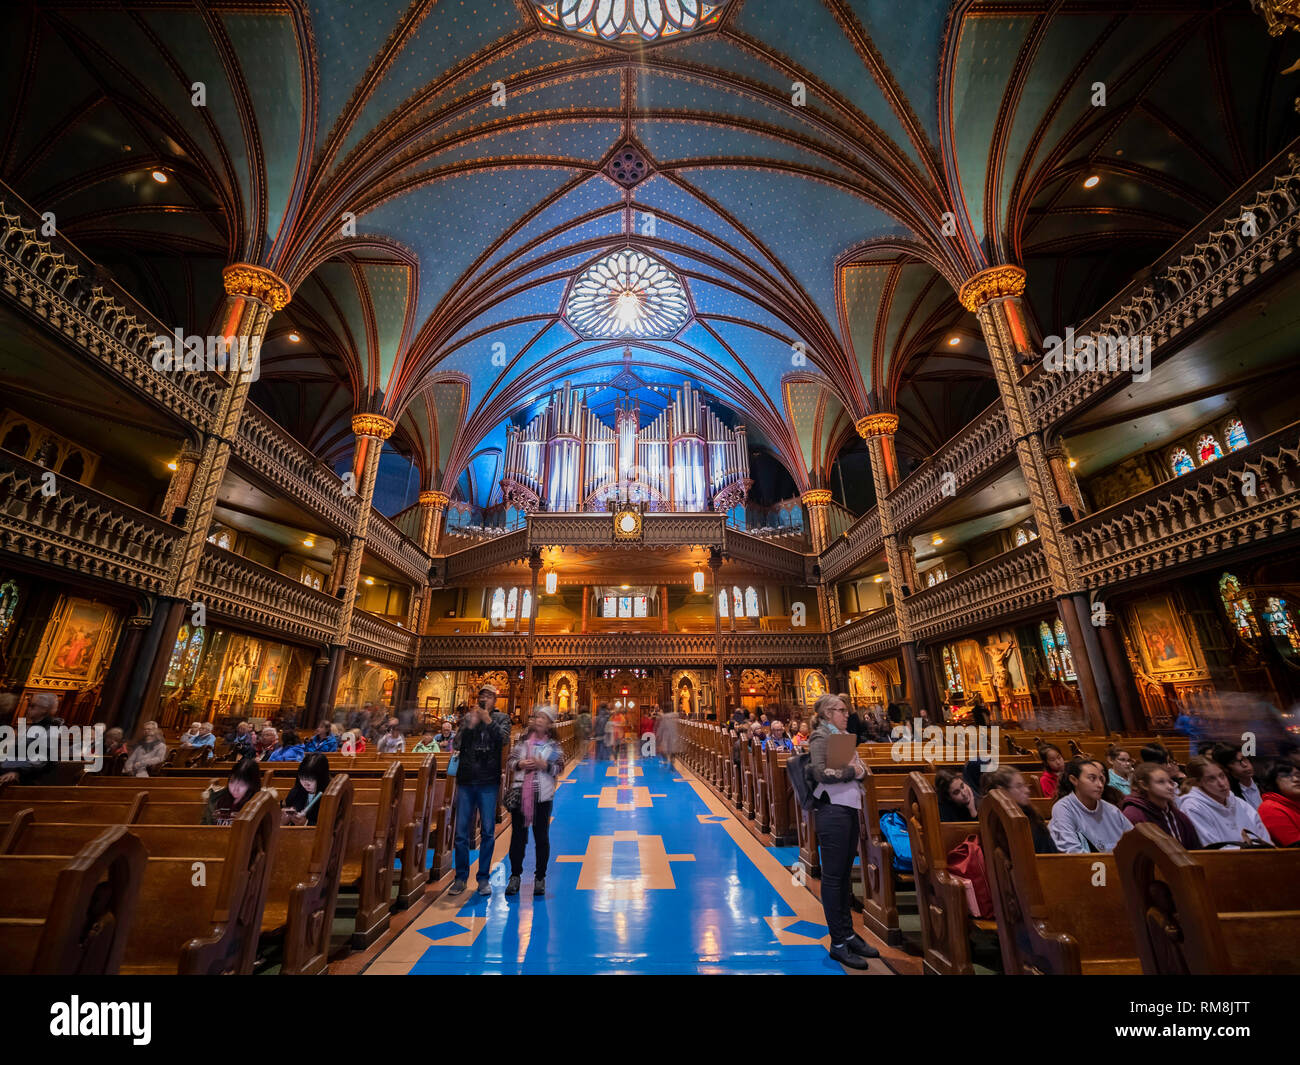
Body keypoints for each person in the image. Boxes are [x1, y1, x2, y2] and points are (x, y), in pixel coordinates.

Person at [807, 692, 879, 969]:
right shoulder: (820, 737)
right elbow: (819, 772)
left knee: (846, 874)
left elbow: (862, 768)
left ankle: (848, 933)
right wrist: (852, 772)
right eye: (839, 709)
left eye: (845, 709)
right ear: (827, 714)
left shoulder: (843, 735)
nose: (845, 713)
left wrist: (856, 770)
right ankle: (837, 942)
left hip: (848, 807)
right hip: (832, 811)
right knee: (834, 877)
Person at [449, 685, 512, 896]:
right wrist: (469, 726)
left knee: (487, 831)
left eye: (489, 696)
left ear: (496, 699)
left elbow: (503, 739)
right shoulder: (469, 718)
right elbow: (456, 743)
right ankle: (460, 877)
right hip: (466, 780)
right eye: (482, 696)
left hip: (488, 781)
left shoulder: (501, 718)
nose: (485, 699)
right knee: (461, 832)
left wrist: (486, 720)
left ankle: (483, 878)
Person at [504, 706, 564, 897]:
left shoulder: (553, 746)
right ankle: (515, 876)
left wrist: (543, 765)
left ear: (548, 724)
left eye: (543, 718)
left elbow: (559, 768)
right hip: (521, 794)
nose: (538, 720)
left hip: (543, 797)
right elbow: (510, 761)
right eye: (537, 717)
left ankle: (540, 877)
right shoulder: (522, 743)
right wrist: (521, 764)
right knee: (518, 838)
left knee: (541, 837)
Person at [1177, 756, 1271, 847]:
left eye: (1222, 776)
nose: (1222, 783)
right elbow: (1214, 849)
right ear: (1198, 783)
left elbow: (1266, 841)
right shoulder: (1193, 807)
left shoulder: (1239, 802)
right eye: (1211, 779)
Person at [1048, 758, 1133, 853]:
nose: (1100, 785)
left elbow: (1135, 839)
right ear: (1074, 780)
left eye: (1101, 779)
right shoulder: (1063, 808)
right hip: (1088, 865)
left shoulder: (1112, 810)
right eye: (1092, 778)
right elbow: (1072, 851)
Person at [1120, 762, 1200, 847]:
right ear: (1144, 785)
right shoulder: (1133, 815)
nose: (1170, 787)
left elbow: (1196, 851)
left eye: (1170, 782)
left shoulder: (1178, 816)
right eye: (1161, 782)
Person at [984, 766, 1057, 853]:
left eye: (1024, 785)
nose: (1027, 790)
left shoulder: (1032, 815)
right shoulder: (997, 823)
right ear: (1002, 792)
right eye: (1019, 786)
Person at [0, 692, 63, 785]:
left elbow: (42, 759)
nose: (28, 708)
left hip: (25, 781)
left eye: (32, 706)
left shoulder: (50, 730)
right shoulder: (34, 727)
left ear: (44, 710)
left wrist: (17, 772)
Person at [201, 757, 263, 825]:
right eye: (232, 781)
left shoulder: (260, 804)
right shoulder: (216, 799)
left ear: (252, 784)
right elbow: (203, 827)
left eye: (242, 784)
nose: (235, 788)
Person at [1257, 760, 1300, 846]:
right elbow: (1296, 847)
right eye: (1286, 776)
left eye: (1298, 775)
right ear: (1273, 781)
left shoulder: (1295, 804)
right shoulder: (1269, 808)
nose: (1296, 779)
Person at [281, 752, 330, 826]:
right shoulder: (296, 791)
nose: (305, 784)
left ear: (321, 778)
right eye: (302, 778)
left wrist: (306, 823)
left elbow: (330, 828)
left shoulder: (330, 796)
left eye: (311, 779)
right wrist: (285, 818)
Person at [1211, 743, 1262, 809]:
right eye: (1235, 762)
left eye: (1244, 758)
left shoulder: (1265, 782)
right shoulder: (1229, 795)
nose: (1244, 765)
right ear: (1225, 768)